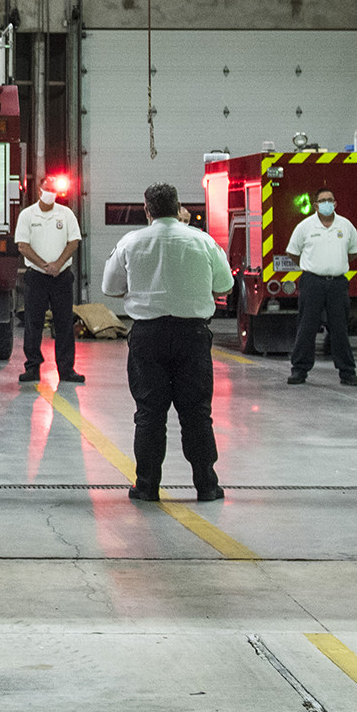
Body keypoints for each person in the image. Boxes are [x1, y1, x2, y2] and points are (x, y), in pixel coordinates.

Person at [101, 181, 235, 502]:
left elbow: (110, 287)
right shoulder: (202, 241)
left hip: (148, 337)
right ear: (179, 209)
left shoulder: (131, 242)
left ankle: (146, 486)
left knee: (149, 414)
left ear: (146, 210)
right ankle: (206, 486)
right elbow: (225, 284)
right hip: (193, 337)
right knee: (197, 413)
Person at [286, 188, 357, 386]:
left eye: (330, 199)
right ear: (316, 205)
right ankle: (299, 370)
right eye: (323, 200)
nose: (327, 203)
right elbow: (293, 253)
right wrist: (313, 267)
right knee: (306, 327)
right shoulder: (305, 227)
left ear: (335, 204)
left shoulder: (345, 226)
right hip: (312, 282)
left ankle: (347, 372)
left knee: (340, 329)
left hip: (337, 283)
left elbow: (354, 252)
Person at [15, 183, 83, 384]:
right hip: (36, 276)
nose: (51, 193)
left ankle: (66, 369)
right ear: (39, 190)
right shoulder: (28, 215)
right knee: (33, 323)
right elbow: (23, 246)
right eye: (47, 188)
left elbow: (74, 242)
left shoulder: (66, 214)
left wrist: (57, 265)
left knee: (64, 324)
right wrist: (44, 266)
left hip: (61, 277)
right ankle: (32, 367)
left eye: (54, 189)